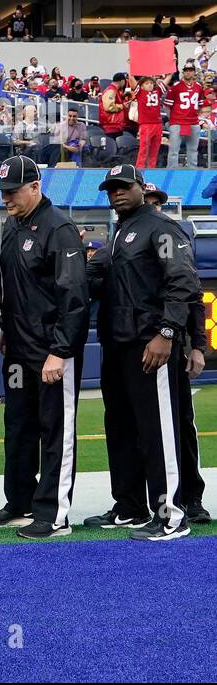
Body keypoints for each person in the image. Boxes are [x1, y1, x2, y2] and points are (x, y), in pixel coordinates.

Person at [86, 164, 199, 541]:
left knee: (158, 433)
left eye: (123, 186)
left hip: (151, 345)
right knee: (120, 429)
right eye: (110, 189)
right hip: (118, 345)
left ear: (140, 187)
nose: (116, 193)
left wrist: (167, 332)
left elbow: (183, 281)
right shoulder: (120, 234)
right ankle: (130, 506)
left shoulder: (161, 227)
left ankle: (171, 514)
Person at [0, 155, 89, 538]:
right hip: (19, 349)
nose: (5, 199)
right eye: (3, 192)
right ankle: (20, 501)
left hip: (49, 351)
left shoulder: (58, 228)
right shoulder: (12, 225)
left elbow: (74, 295)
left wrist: (60, 350)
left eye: (11, 192)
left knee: (55, 431)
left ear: (35, 186)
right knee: (18, 427)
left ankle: (53, 513)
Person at [142, 184, 210, 525]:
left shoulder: (172, 236)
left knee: (182, 422)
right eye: (148, 202)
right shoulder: (129, 237)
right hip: (145, 340)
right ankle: (157, 497)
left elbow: (194, 296)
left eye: (157, 202)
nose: (152, 207)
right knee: (155, 426)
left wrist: (198, 345)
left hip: (174, 342)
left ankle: (192, 498)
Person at [166, 61, 204, 168]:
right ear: (183, 72)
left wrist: (197, 116)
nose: (188, 73)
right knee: (174, 150)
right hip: (178, 122)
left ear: (194, 72)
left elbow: (200, 104)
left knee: (193, 150)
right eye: (186, 71)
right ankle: (171, 172)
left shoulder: (198, 86)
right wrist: (172, 119)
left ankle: (192, 171)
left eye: (190, 70)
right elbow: (167, 105)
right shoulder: (176, 86)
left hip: (193, 122)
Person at [134, 75, 164, 168]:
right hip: (146, 124)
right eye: (147, 83)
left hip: (158, 124)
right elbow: (132, 80)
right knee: (144, 149)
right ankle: (140, 168)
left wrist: (170, 73)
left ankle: (152, 168)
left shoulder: (157, 91)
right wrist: (131, 68)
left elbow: (166, 81)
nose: (150, 85)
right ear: (142, 86)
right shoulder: (140, 93)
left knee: (155, 149)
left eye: (151, 83)